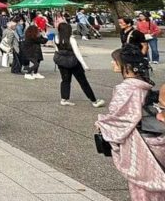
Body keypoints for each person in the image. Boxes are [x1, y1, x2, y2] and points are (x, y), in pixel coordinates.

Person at [96, 45, 165, 200]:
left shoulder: (125, 89)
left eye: (115, 61)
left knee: (142, 191)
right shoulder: (143, 84)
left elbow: (121, 118)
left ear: (126, 66)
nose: (112, 63)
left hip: (140, 143)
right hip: (156, 137)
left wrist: (102, 123)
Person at [54, 23, 104, 108]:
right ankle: (94, 100)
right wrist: (84, 65)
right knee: (83, 82)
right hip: (73, 62)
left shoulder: (56, 38)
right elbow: (77, 53)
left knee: (65, 80)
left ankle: (64, 99)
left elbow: (56, 50)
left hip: (62, 62)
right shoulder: (71, 39)